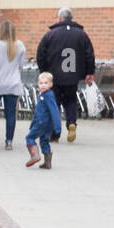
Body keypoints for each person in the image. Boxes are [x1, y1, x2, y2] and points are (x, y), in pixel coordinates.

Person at [36, 8, 95, 144]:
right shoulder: (82, 34)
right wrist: (89, 72)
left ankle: (54, 135)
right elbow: (89, 54)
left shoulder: (51, 34)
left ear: (60, 18)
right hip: (73, 75)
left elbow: (41, 54)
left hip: (54, 76)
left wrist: (44, 71)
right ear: (71, 18)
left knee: (54, 103)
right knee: (71, 101)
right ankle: (71, 123)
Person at [0, 20, 26, 150]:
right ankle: (9, 142)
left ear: (1, 31)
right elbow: (21, 65)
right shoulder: (20, 45)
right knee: (11, 114)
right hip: (13, 84)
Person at [25, 71, 60, 170]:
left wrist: (57, 127)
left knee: (29, 138)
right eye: (41, 83)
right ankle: (47, 163)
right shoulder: (44, 94)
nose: (43, 85)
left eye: (46, 83)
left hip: (42, 123)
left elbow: (54, 110)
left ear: (51, 84)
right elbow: (38, 112)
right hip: (46, 124)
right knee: (44, 141)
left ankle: (34, 156)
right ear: (38, 84)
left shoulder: (47, 95)